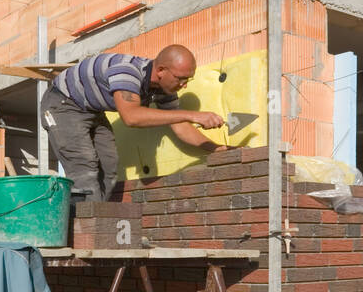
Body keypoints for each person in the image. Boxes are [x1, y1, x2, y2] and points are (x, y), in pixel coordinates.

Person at [38, 45, 226, 201]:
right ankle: (81, 232)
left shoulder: (164, 90)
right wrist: (192, 115)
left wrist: (217, 148)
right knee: (84, 166)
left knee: (109, 165)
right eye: (181, 78)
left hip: (91, 109)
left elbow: (180, 126)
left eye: (188, 79)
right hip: (62, 103)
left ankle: (96, 223)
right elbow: (132, 117)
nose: (184, 85)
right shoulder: (126, 71)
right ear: (161, 70)